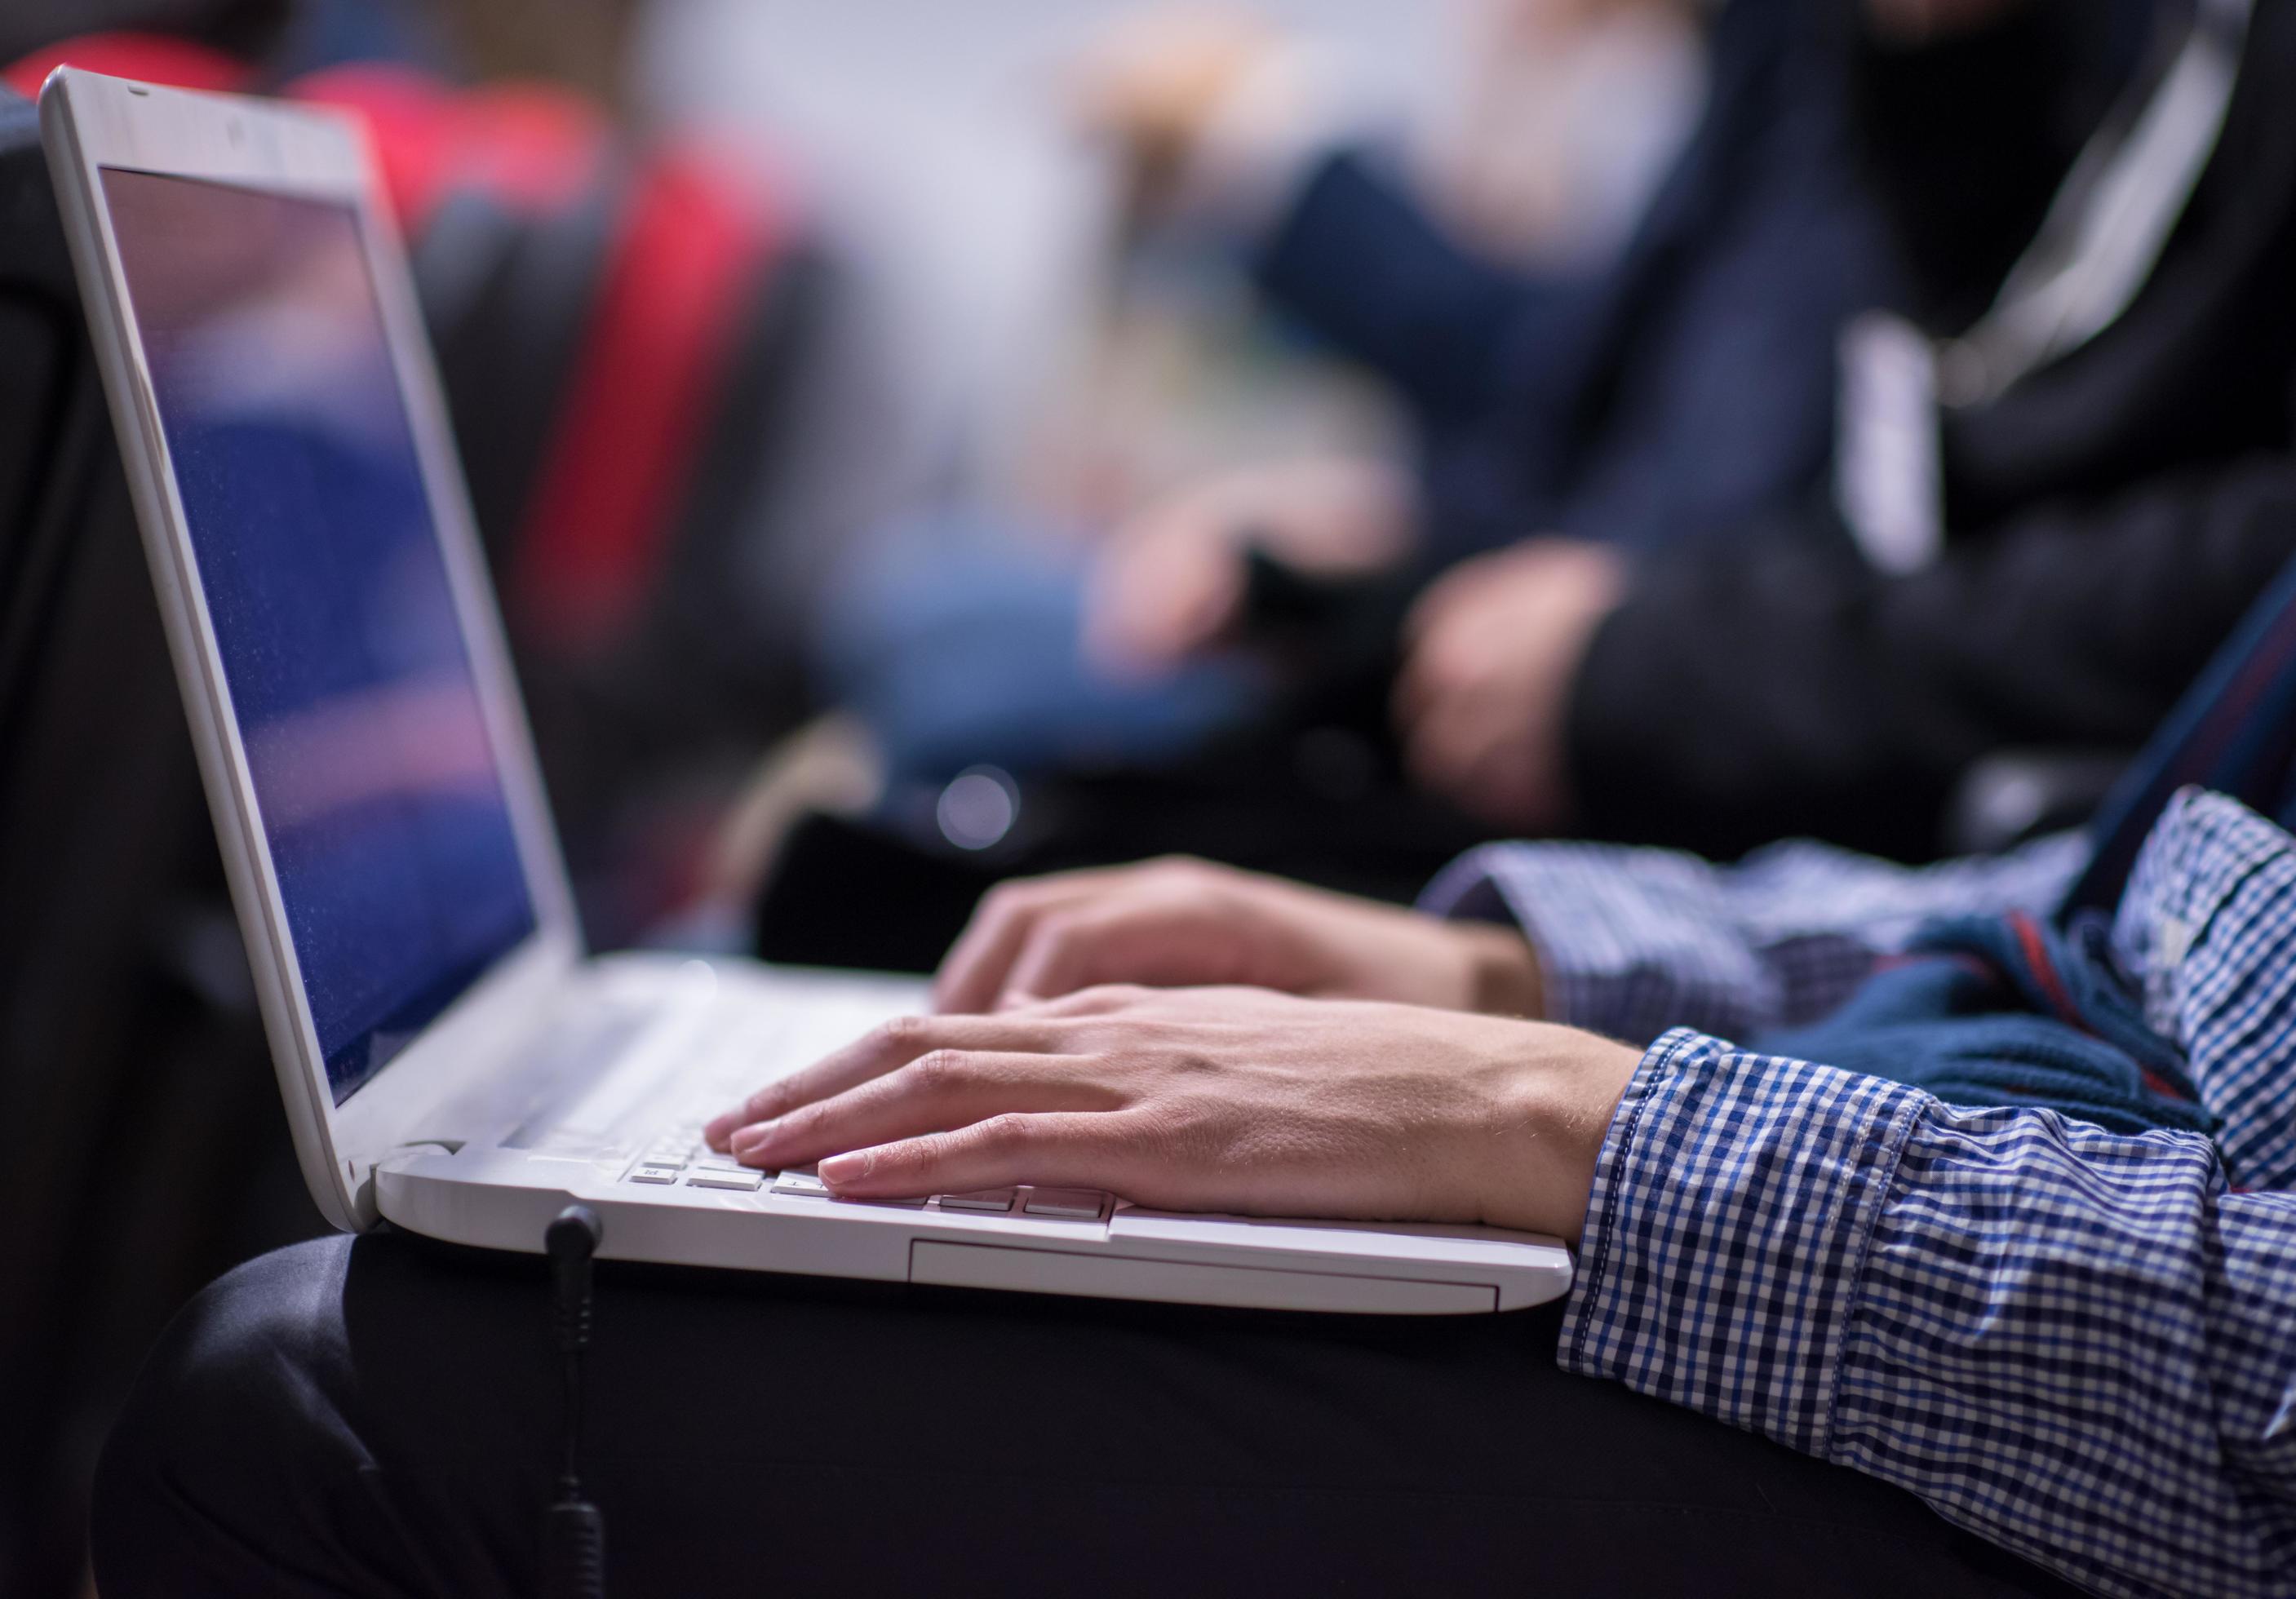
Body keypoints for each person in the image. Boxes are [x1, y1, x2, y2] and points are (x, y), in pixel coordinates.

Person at [91, 551, 2296, 1595]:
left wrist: (1564, 1120)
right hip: (1928, 1117)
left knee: (307, 1392)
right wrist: (1488, 964)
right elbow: (2118, 887)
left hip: (2053, 1414)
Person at [835, 0, 2296, 867]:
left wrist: (1282, 175)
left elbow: (1738, 500)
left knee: (943, 640)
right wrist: (1396, 527)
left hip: (1724, 721)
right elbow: (1616, 414)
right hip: (1678, 661)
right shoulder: (1824, 59)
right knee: (930, 628)